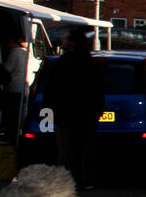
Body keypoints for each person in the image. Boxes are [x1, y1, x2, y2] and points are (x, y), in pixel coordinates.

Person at [40, 29, 104, 187]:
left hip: (66, 113)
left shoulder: (62, 63)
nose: (62, 41)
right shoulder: (90, 63)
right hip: (87, 113)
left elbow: (52, 88)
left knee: (66, 149)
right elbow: (97, 88)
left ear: (72, 43)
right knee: (86, 147)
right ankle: (87, 179)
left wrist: (48, 110)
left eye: (66, 39)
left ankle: (66, 181)